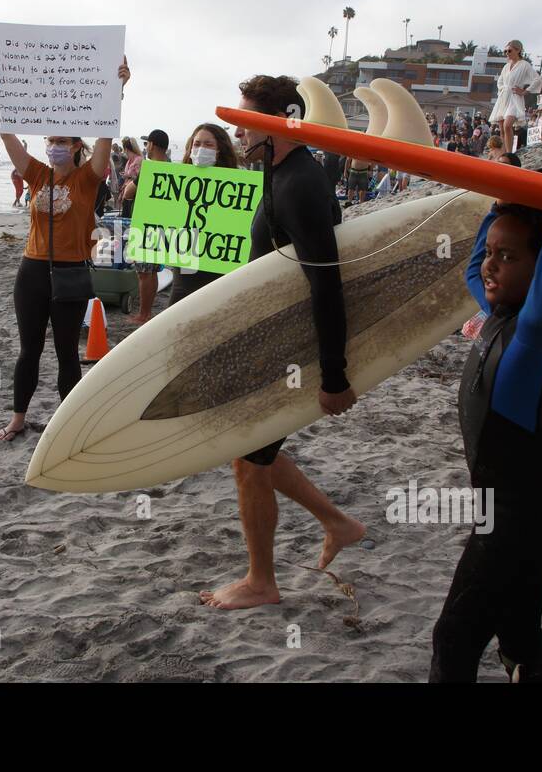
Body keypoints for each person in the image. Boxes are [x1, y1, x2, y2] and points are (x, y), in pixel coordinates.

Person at [430, 170, 542, 682]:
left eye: (508, 258)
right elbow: (475, 264)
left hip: (526, 515)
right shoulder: (496, 306)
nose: (490, 266)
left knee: (454, 636)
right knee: (516, 628)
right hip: (513, 507)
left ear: (541, 269)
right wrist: (502, 202)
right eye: (492, 251)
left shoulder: (537, 329)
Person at [200, 74, 365, 611]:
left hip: (293, 350)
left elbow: (325, 280)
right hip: (276, 343)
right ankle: (337, 523)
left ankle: (261, 582)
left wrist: (334, 376)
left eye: (249, 122)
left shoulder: (299, 184)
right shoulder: (280, 175)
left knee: (249, 459)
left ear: (278, 124)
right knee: (253, 455)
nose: (240, 134)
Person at [0, 55, 130, 443]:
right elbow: (8, 137)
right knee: (28, 350)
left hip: (70, 273)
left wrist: (117, 91)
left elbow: (105, 136)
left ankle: (68, 425)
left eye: (62, 141)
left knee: (66, 351)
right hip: (31, 272)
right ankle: (18, 418)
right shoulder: (37, 174)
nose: (55, 146)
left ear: (76, 146)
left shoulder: (87, 178)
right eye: (51, 141)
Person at [168, 124, 241, 305]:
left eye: (208, 144)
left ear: (220, 150)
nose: (201, 149)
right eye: (197, 143)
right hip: (185, 267)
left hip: (219, 271)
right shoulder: (177, 180)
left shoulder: (239, 183)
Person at [125, 130, 169, 324]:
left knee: (144, 272)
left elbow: (128, 192)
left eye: (147, 144)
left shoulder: (152, 169)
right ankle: (147, 312)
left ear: (152, 144)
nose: (146, 148)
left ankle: (144, 314)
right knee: (151, 270)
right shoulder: (171, 167)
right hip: (160, 222)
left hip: (147, 223)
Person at [489, 41, 542, 153]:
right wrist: (503, 89)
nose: (507, 53)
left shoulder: (524, 65)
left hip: (515, 98)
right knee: (502, 128)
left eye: (509, 51)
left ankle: (509, 153)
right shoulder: (506, 66)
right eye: (505, 51)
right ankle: (504, 153)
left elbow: (537, 79)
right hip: (504, 97)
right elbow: (500, 81)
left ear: (518, 50)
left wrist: (525, 91)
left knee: (508, 125)